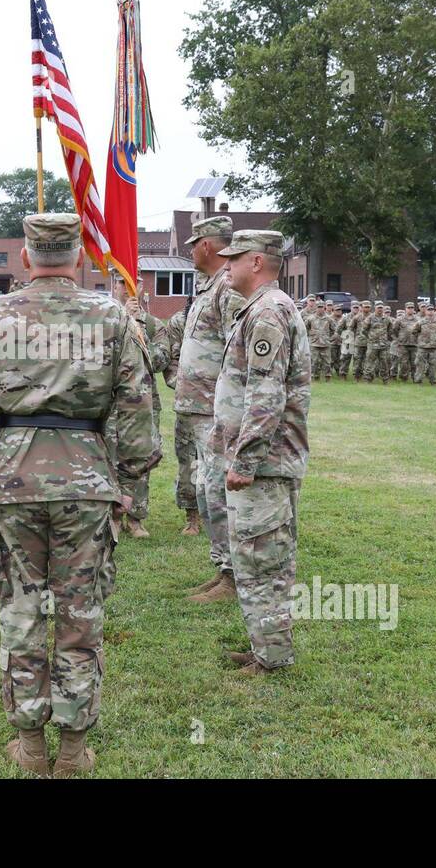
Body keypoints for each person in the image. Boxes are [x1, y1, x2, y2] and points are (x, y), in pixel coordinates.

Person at [0, 211, 154, 777]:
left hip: (13, 480)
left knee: (22, 610)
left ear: (24, 257)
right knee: (79, 611)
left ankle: (31, 745)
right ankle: (72, 750)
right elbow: (137, 406)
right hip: (87, 483)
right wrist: (133, 482)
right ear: (80, 257)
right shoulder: (111, 317)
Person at [213, 228, 310, 674]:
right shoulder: (261, 309)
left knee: (263, 559)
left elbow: (266, 395)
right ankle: (264, 648)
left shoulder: (268, 312)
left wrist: (245, 460)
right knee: (258, 556)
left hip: (265, 464)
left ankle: (271, 658)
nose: (225, 264)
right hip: (264, 461)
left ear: (256, 262)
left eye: (234, 258)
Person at [175, 215, 245, 603]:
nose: (191, 252)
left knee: (218, 491)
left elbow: (238, 352)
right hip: (199, 408)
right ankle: (223, 569)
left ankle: (233, 577)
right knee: (206, 489)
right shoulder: (210, 287)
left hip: (217, 410)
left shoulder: (228, 288)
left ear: (206, 245)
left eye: (193, 244)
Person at [109, 278, 167, 539]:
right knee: (108, 457)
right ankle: (111, 514)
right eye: (121, 282)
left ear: (142, 289)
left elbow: (159, 360)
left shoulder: (154, 325)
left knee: (140, 458)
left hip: (141, 402)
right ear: (113, 285)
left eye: (133, 283)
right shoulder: (103, 321)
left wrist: (137, 329)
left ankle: (136, 517)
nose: (126, 288)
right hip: (109, 403)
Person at [163, 297, 201, 535]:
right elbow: (171, 362)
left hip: (224, 401)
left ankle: (222, 514)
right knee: (188, 460)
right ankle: (192, 516)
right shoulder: (180, 321)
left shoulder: (229, 313)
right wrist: (183, 386)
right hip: (189, 402)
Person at [362, 303, 392, 383]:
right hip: (372, 344)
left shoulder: (387, 319)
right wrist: (370, 337)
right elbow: (364, 330)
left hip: (383, 345)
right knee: (369, 362)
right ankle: (367, 379)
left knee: (384, 363)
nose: (380, 309)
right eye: (378, 308)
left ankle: (385, 379)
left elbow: (390, 330)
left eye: (381, 308)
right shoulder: (370, 318)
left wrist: (386, 339)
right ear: (375, 308)